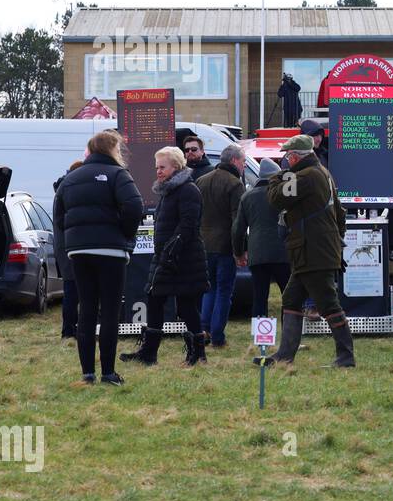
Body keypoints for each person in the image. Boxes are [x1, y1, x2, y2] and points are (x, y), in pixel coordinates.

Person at [53, 131, 144, 385]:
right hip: (111, 251)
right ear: (113, 149)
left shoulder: (70, 178)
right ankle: (108, 373)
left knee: (87, 310)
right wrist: (125, 235)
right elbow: (134, 207)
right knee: (110, 312)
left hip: (79, 252)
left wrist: (75, 237)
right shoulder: (118, 175)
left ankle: (87, 374)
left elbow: (59, 215)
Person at [259, 135, 353, 368]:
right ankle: (285, 355)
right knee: (291, 299)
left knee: (329, 304)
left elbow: (276, 198)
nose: (285, 160)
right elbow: (340, 213)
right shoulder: (322, 172)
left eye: (286, 156)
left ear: (294, 156)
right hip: (314, 250)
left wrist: (276, 177)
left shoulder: (306, 176)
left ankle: (345, 357)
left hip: (313, 251)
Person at [123, 146, 210, 367]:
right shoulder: (168, 192)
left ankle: (197, 353)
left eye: (162, 167)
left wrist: (172, 251)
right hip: (165, 256)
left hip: (183, 259)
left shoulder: (188, 190)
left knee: (186, 305)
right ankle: (149, 352)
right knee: (154, 299)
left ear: (176, 166)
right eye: (157, 167)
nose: (158, 171)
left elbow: (188, 226)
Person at [196, 142, 246, 348]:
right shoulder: (235, 184)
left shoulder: (201, 180)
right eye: (243, 161)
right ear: (234, 161)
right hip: (225, 247)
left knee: (209, 290)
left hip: (203, 245)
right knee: (224, 291)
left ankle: (204, 330)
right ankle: (218, 336)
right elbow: (238, 223)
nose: (243, 165)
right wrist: (239, 250)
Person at [232, 156, 289, 320]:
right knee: (289, 298)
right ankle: (288, 341)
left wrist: (239, 252)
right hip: (283, 253)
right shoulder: (283, 195)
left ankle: (259, 340)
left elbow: (238, 229)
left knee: (259, 297)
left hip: (257, 254)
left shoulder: (247, 197)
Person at [51, 160, 83, 340]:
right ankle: (69, 330)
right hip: (70, 248)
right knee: (72, 291)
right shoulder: (68, 190)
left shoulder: (62, 188)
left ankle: (70, 329)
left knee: (71, 290)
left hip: (64, 247)